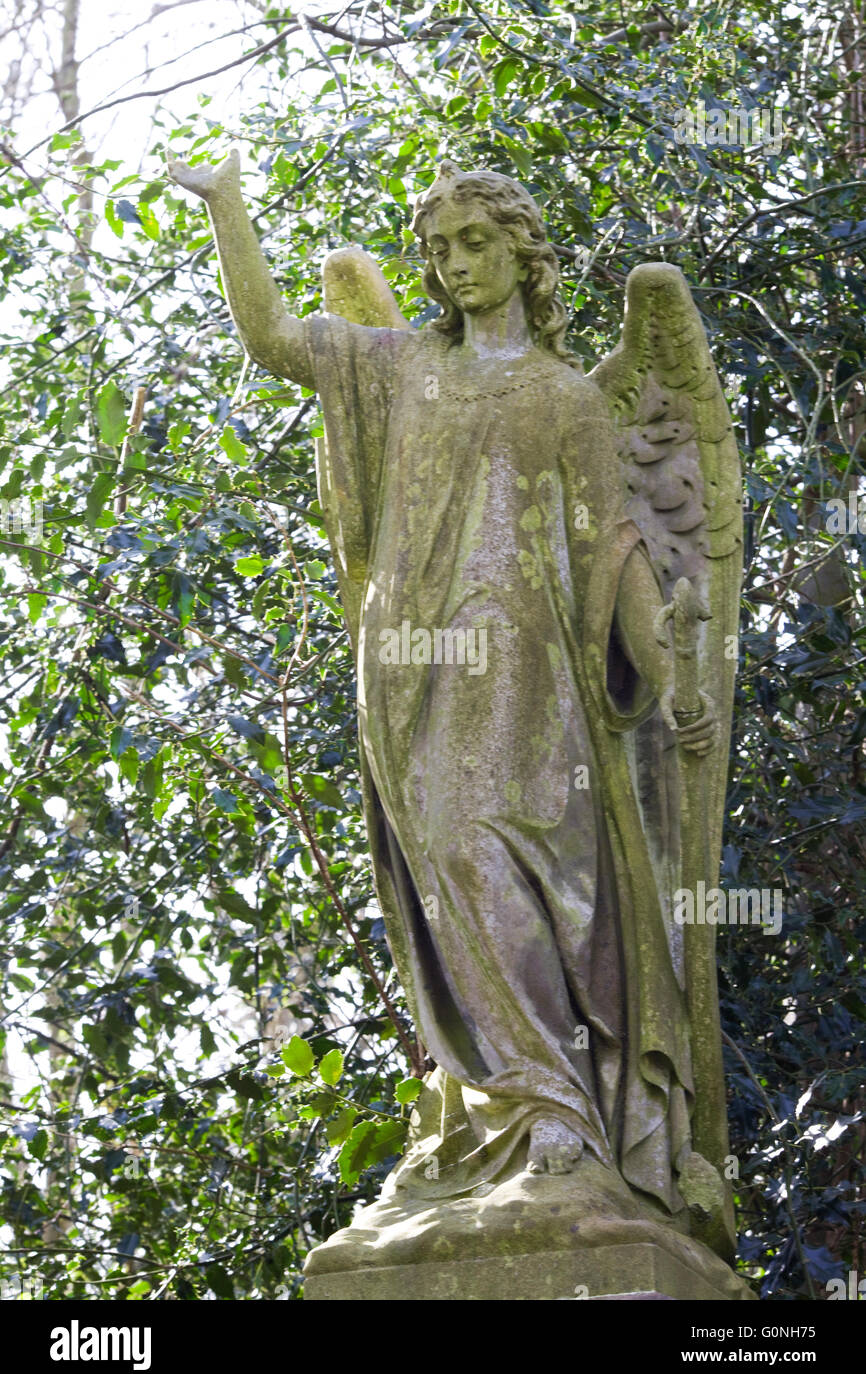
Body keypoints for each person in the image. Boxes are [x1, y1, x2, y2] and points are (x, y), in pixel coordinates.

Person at [168, 152, 715, 1214]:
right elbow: (270, 337)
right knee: (444, 874)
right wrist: (229, 204)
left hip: (526, 674)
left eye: (475, 242)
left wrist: (669, 670)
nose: (455, 265)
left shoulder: (564, 398)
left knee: (492, 855)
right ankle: (501, 1097)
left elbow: (612, 551)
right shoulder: (398, 365)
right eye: (438, 250)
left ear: (520, 250)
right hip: (407, 668)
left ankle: (555, 1105)